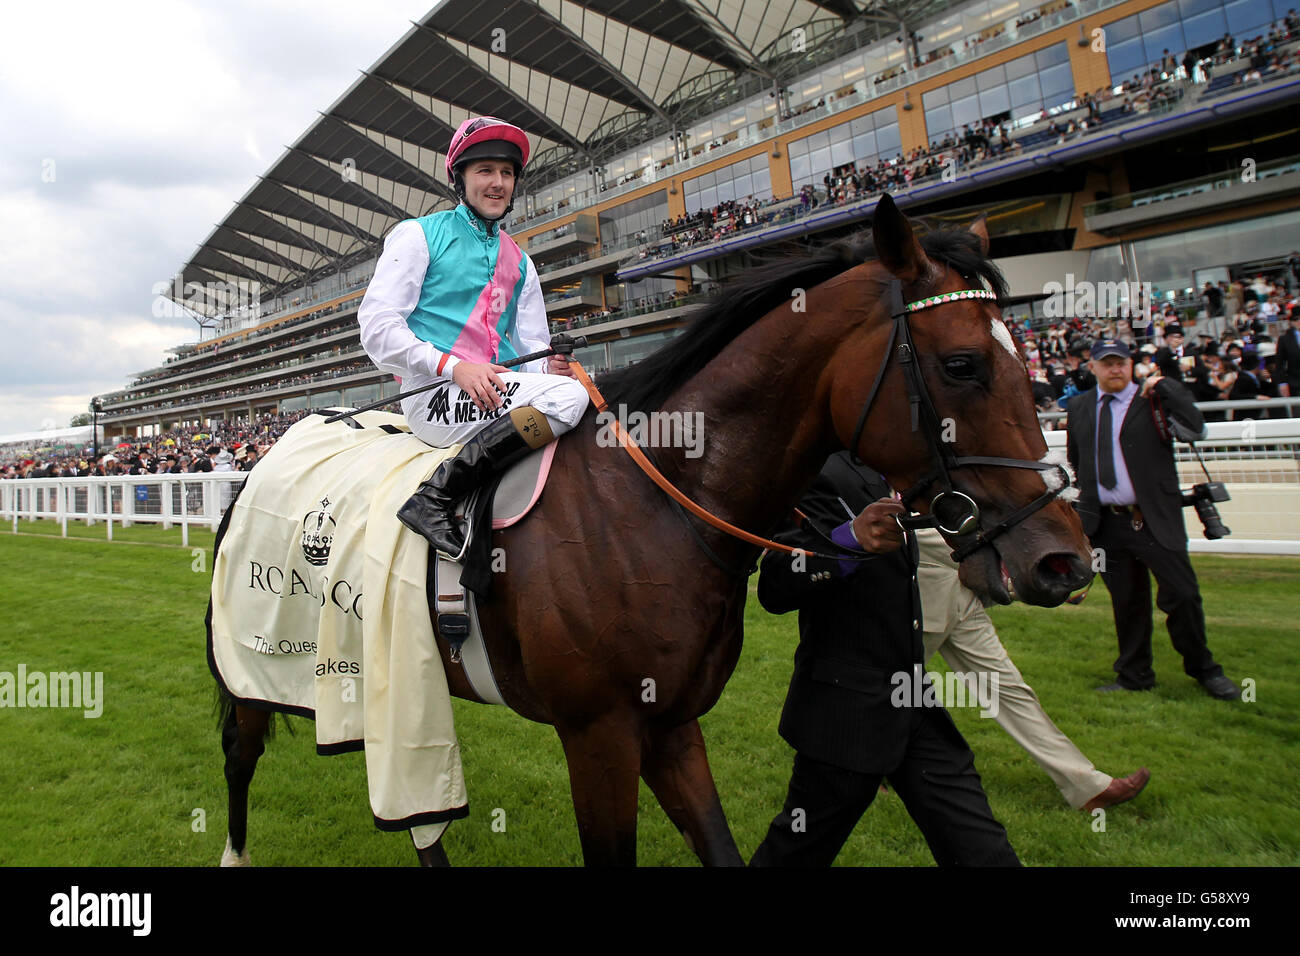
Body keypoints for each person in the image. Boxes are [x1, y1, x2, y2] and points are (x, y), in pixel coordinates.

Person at [749, 452, 1020, 866]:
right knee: (796, 852)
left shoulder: (902, 473)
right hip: (845, 714)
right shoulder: (820, 472)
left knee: (982, 848)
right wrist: (849, 540)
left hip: (914, 702)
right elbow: (775, 584)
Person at [357, 116, 590, 556]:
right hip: (436, 395)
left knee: (585, 391)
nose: (498, 182)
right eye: (484, 171)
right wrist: (454, 367)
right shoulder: (418, 235)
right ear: (459, 178)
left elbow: (531, 351)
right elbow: (377, 329)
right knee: (567, 400)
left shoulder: (521, 261)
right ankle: (437, 496)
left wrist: (550, 367)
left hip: (497, 391)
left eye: (506, 173)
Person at [915, 529, 1150, 812]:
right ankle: (865, 765)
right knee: (888, 691)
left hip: (962, 598)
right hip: (921, 604)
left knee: (1009, 690)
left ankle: (1087, 787)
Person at [1065, 340, 1241, 700]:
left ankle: (1204, 669)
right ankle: (1134, 674)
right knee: (1127, 602)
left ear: (1132, 365)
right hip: (1108, 524)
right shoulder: (1081, 407)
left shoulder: (1152, 399)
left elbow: (1196, 427)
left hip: (1154, 518)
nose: (1115, 369)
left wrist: (1167, 385)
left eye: (1122, 363)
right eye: (1107, 363)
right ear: (1093, 367)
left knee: (1183, 596)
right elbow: (1077, 460)